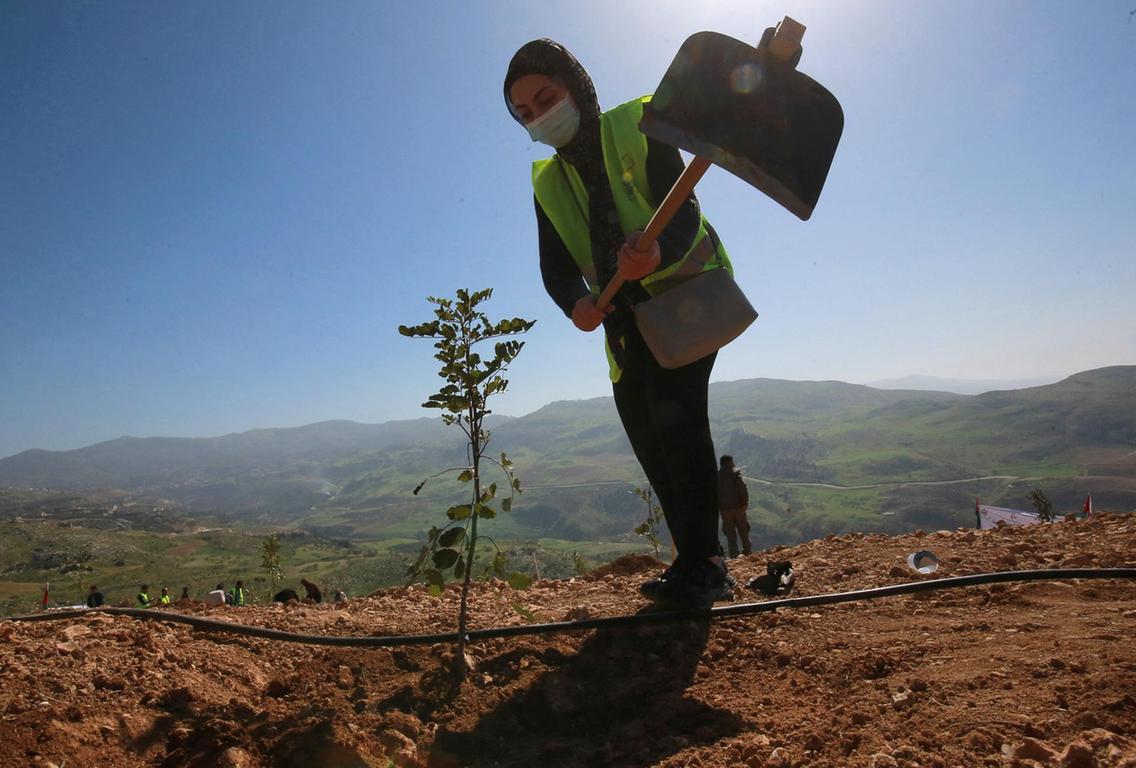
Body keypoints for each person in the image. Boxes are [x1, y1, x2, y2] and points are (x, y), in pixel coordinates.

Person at [505, 40, 736, 606]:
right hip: (624, 322)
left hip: (683, 300)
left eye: (546, 97)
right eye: (524, 114)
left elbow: (683, 210)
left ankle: (707, 565)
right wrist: (576, 304)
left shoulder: (639, 123)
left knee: (677, 418)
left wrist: (655, 254)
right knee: (646, 431)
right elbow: (554, 266)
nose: (539, 117)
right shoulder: (546, 183)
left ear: (577, 87)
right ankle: (690, 560)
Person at [717, 455, 752, 558]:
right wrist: (745, 503)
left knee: (730, 535)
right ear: (729, 462)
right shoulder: (736, 474)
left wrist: (720, 508)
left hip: (725, 511)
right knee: (744, 531)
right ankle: (747, 552)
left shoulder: (717, 476)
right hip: (739, 508)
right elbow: (743, 489)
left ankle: (734, 555)